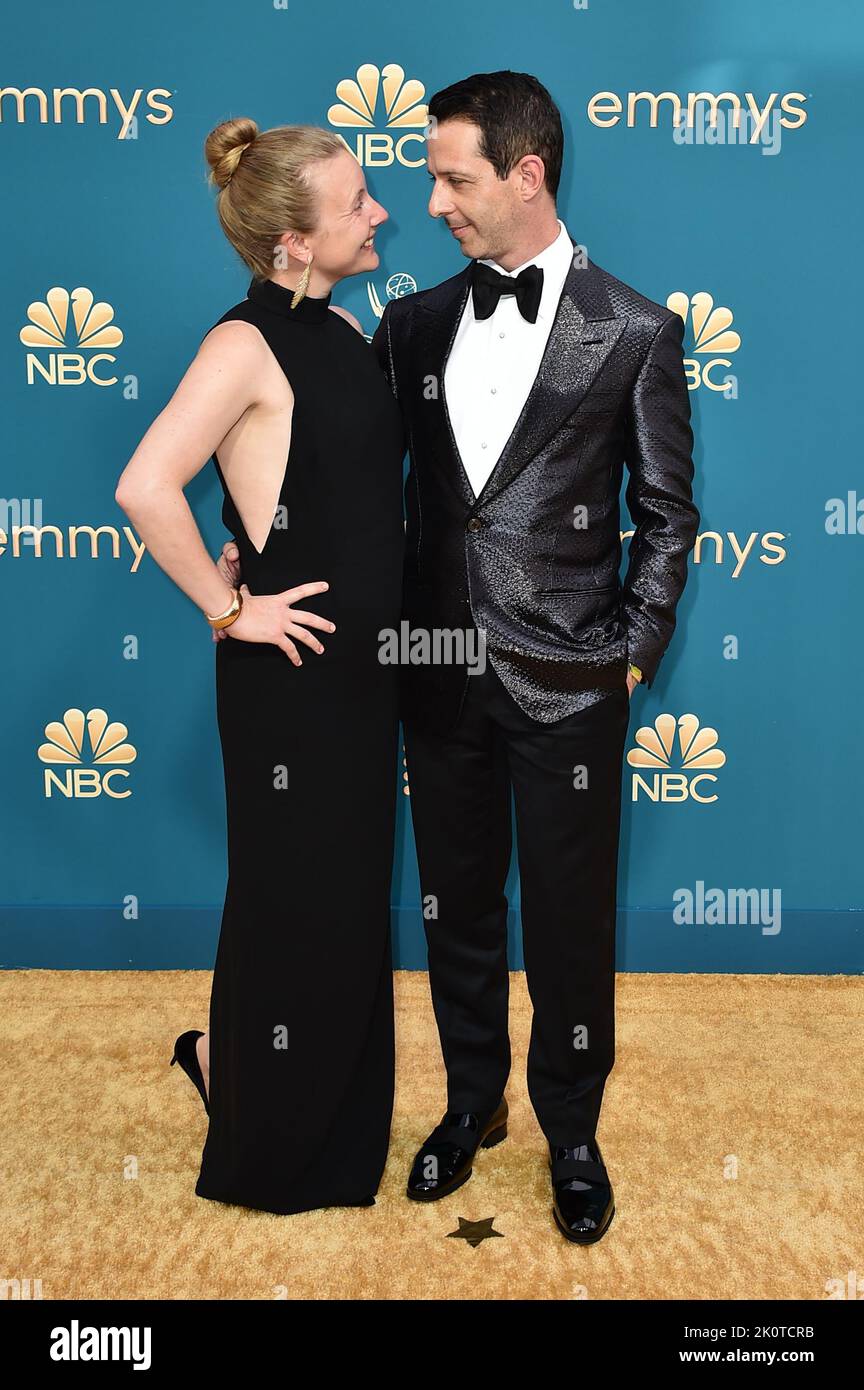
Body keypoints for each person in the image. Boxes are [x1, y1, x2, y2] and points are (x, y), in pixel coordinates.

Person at [369, 71, 700, 1243]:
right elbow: (369, 494)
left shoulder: (639, 329)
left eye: (454, 178)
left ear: (527, 173)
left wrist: (631, 652)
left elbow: (667, 516)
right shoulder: (409, 324)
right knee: (458, 908)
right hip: (438, 663)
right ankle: (471, 1108)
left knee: (568, 920)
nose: (435, 202)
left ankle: (571, 1127)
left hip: (570, 680)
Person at [115, 118, 405, 1215]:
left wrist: (246, 541)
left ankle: (313, 1117)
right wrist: (229, 606)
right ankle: (268, 1144)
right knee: (297, 903)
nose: (378, 212)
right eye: (356, 202)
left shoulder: (333, 329)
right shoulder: (243, 343)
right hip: (295, 686)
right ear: (292, 240)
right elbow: (147, 486)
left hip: (358, 672)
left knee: (338, 902)